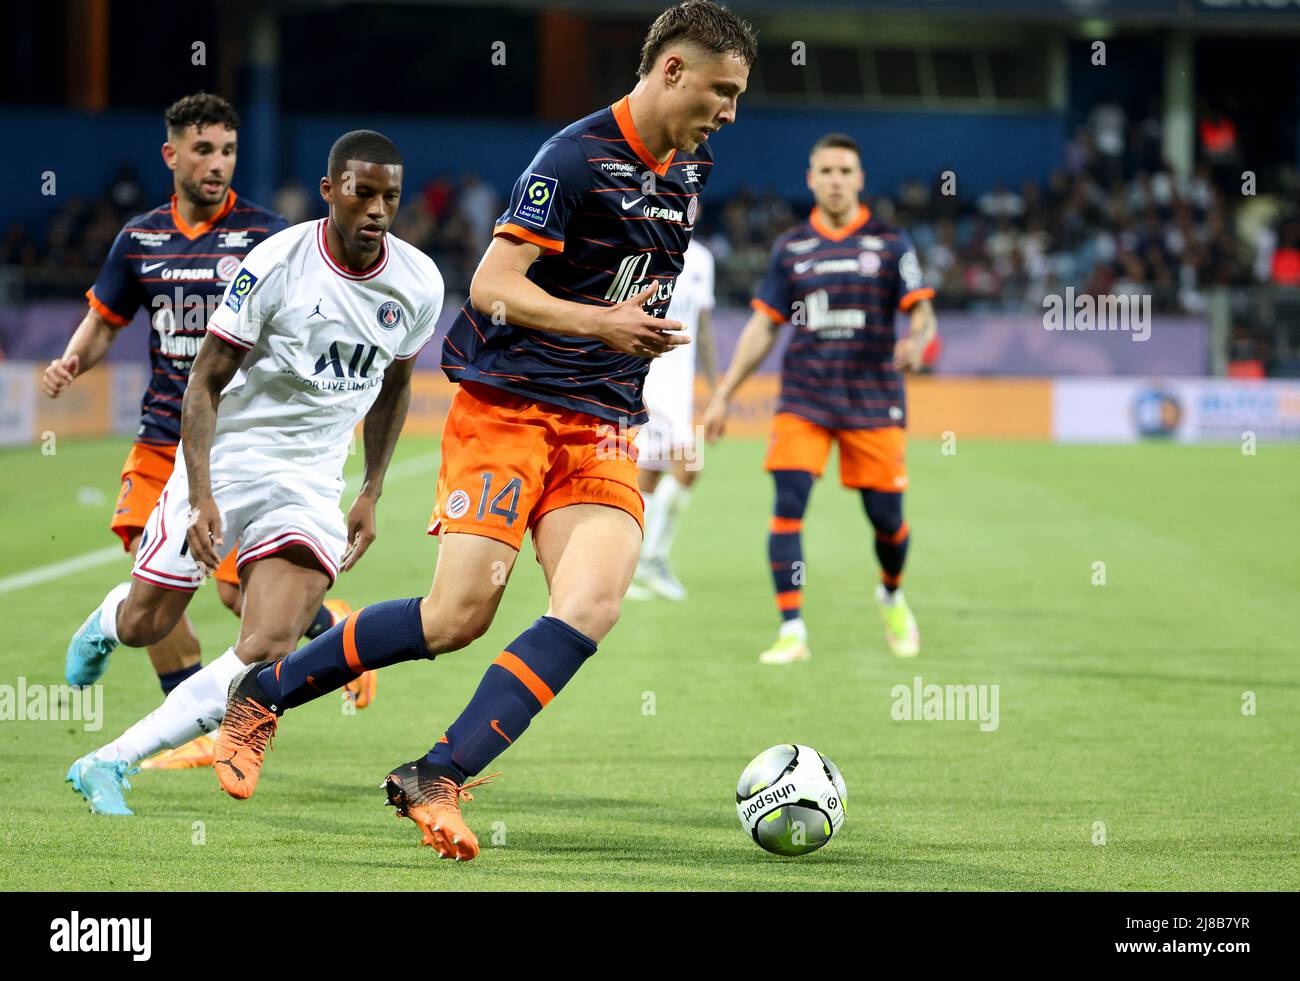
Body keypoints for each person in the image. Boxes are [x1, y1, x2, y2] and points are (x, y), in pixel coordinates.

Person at [213, 0, 757, 861]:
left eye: (738, 96)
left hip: (602, 421)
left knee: (593, 603)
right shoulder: (572, 160)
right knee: (456, 616)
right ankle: (264, 692)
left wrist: (625, 346)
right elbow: (494, 286)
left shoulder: (689, 168)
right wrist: (602, 323)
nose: (729, 111)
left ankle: (437, 772)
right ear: (672, 70)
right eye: (721, 91)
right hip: (510, 406)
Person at [65, 131, 443, 814]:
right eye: (362, 193)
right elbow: (204, 383)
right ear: (329, 192)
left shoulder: (418, 281)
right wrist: (201, 493)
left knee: (266, 647)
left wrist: (370, 490)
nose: (377, 209)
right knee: (149, 622)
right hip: (231, 457)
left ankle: (109, 760)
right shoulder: (275, 264)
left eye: (390, 196)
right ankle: (107, 621)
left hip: (312, 479)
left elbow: (395, 386)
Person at [45, 93, 362, 769]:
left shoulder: (268, 237)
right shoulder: (141, 239)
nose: (217, 164)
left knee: (233, 592)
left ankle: (320, 624)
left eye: (227, 151)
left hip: (240, 444)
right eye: (203, 150)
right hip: (162, 439)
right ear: (171, 155)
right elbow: (104, 321)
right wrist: (73, 360)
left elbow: (313, 327)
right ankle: (199, 715)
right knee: (150, 600)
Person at [703, 133, 938, 662]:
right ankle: (792, 630)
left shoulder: (890, 242)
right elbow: (764, 326)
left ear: (860, 179)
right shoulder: (791, 248)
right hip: (804, 398)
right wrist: (723, 394)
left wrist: (919, 341)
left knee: (886, 519)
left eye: (845, 171)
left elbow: (922, 312)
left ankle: (892, 594)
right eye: (826, 171)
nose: (836, 181)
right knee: (788, 506)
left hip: (873, 400)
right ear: (811, 179)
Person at [628, 237, 716, 600]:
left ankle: (632, 566)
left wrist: (716, 389)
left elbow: (703, 328)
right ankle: (647, 561)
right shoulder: (641, 245)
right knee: (689, 464)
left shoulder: (702, 259)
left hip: (680, 387)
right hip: (647, 380)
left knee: (649, 478)